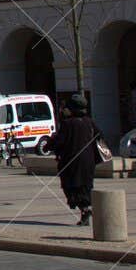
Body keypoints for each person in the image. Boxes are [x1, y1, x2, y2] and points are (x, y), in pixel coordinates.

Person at [50, 95, 101, 226]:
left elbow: (59, 141)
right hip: (89, 161)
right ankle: (87, 209)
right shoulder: (89, 122)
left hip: (71, 161)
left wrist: (49, 145)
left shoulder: (68, 124)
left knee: (72, 186)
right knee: (86, 186)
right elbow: (100, 136)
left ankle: (85, 210)